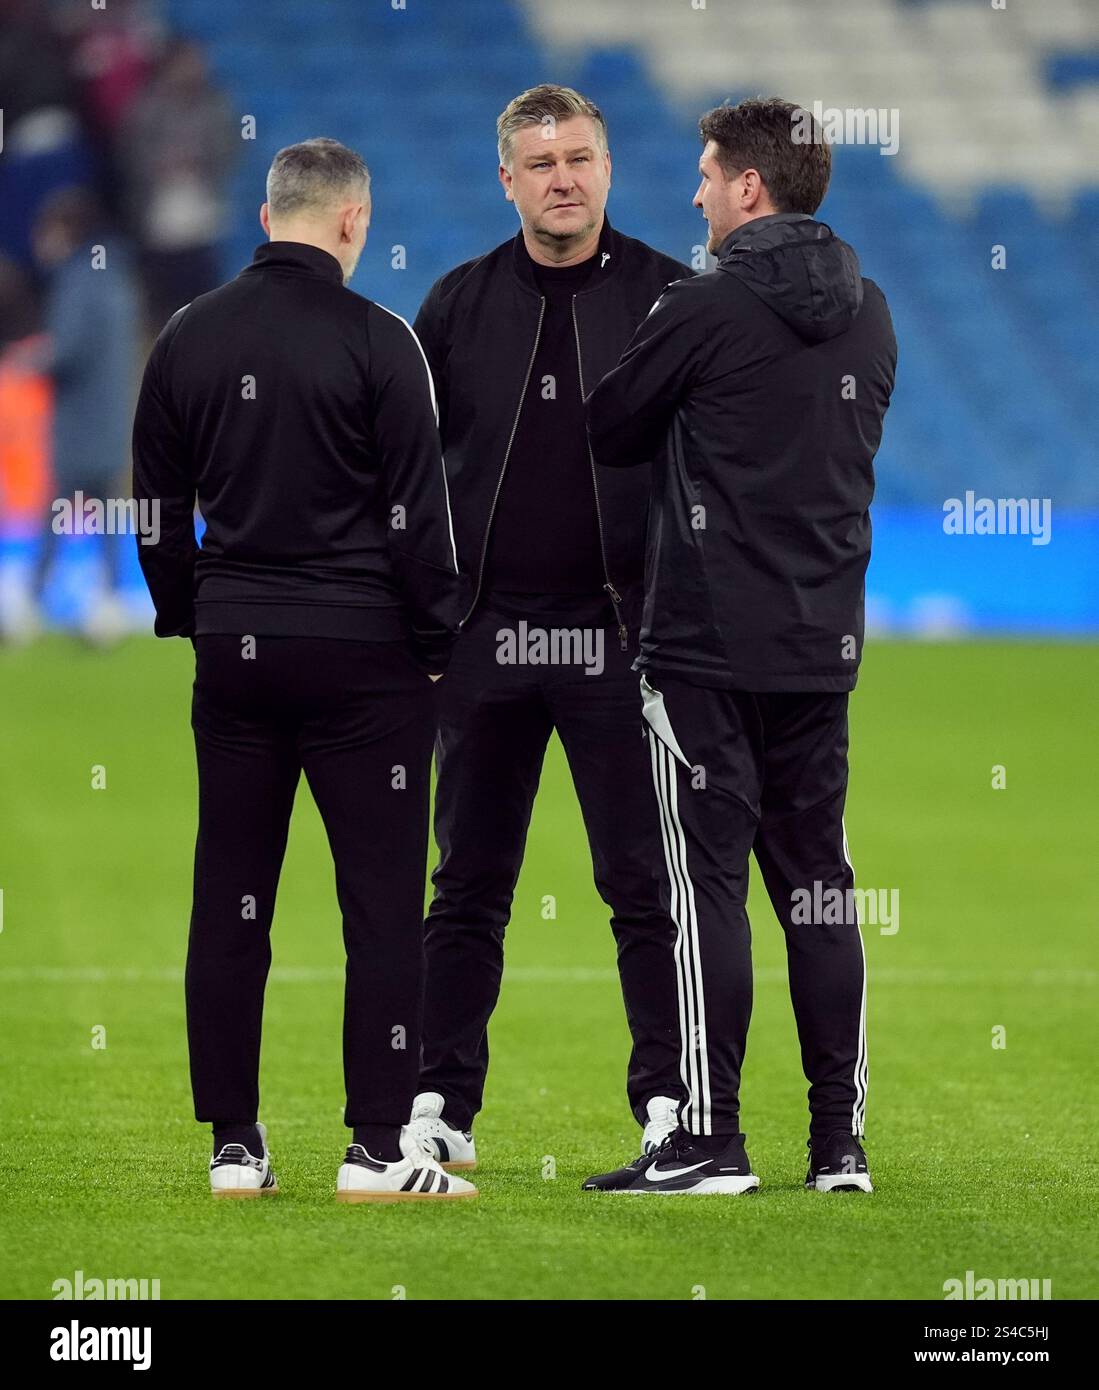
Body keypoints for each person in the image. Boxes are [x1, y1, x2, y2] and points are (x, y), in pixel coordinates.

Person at [132, 138, 475, 1202]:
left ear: (267, 216)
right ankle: (377, 1146)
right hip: (364, 656)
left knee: (231, 895)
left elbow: (155, 512)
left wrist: (192, 612)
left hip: (235, 652)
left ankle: (235, 1142)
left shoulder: (188, 336)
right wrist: (432, 645)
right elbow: (423, 522)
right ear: (353, 221)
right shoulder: (381, 342)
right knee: (378, 903)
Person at [582, 98, 897, 1195]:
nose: (697, 193)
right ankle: (838, 1145)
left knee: (702, 888)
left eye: (709, 176)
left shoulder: (702, 305)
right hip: (820, 648)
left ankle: (709, 1138)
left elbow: (608, 423)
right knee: (818, 887)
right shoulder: (872, 314)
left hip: (705, 648)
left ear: (750, 188)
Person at [406, 85, 692, 1171]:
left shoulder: (673, 300)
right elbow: (408, 477)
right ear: (507, 181)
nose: (562, 178)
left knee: (642, 883)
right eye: (540, 162)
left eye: (579, 157)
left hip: (624, 642)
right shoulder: (456, 304)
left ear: (608, 168)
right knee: (467, 883)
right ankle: (438, 1100)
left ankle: (667, 1104)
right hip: (483, 638)